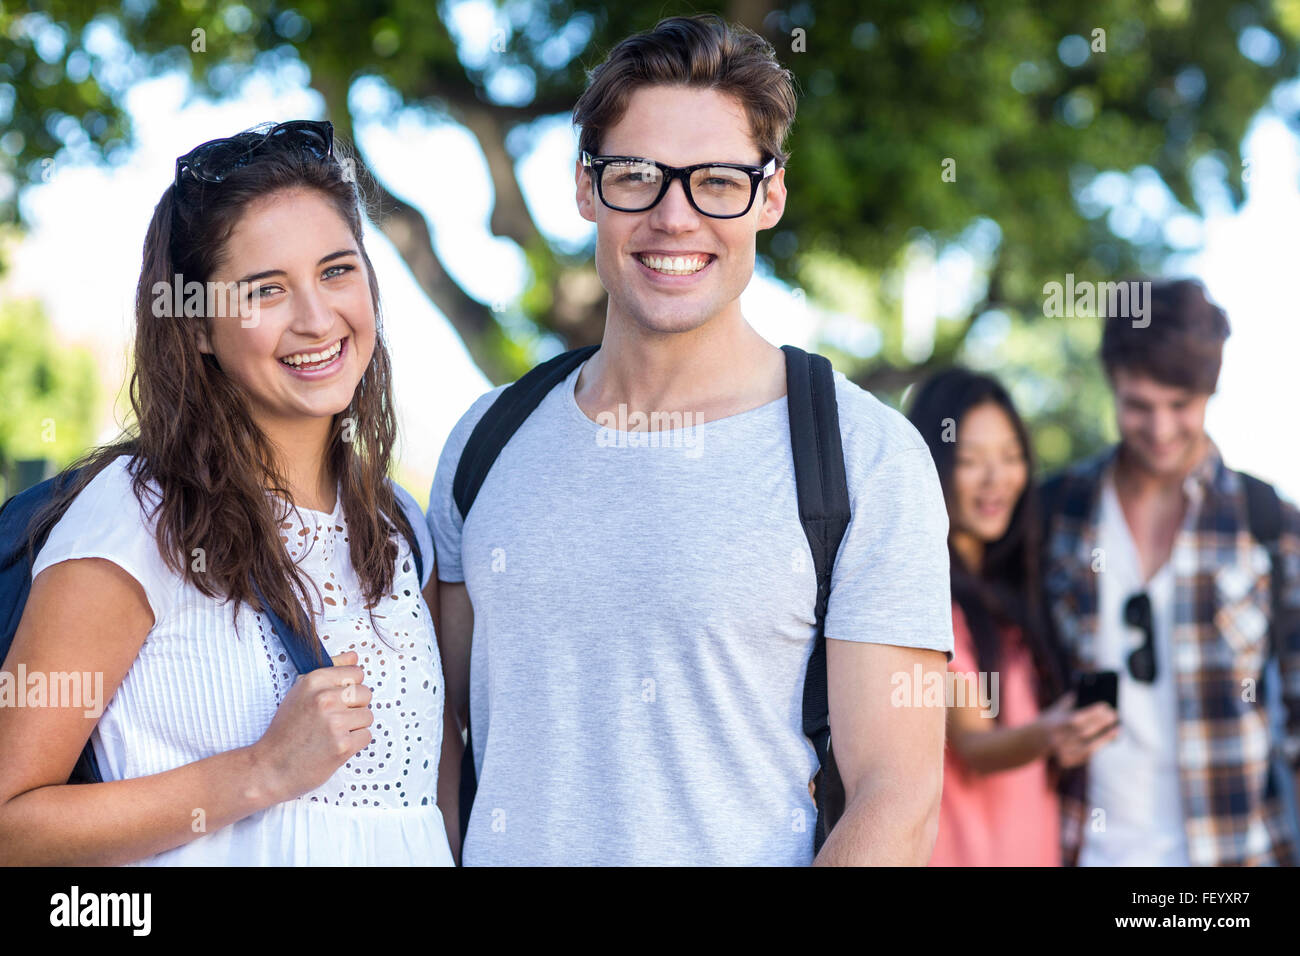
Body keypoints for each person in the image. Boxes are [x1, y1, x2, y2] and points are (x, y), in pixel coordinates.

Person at [428, 14, 954, 866]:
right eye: (637, 175)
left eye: (716, 181)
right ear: (587, 189)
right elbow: (436, 728)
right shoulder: (487, 440)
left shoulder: (865, 457)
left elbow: (898, 802)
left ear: (769, 195)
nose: (675, 217)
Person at [0, 121, 455, 865]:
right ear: (199, 326)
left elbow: (429, 803)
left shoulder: (399, 524)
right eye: (265, 289)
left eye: (337, 271)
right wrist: (260, 772)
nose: (316, 318)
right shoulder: (136, 516)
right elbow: (9, 823)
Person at [1041, 278, 1300, 866]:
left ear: (1211, 391)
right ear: (1111, 386)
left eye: (1180, 406)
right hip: (1081, 849)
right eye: (1138, 405)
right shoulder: (1057, 512)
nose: (1159, 430)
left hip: (1234, 860)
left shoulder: (1268, 522)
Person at [908, 368, 1119, 866]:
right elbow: (975, 744)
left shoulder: (1012, 596)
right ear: (932, 462)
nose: (995, 479)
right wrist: (1049, 732)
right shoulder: (925, 592)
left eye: (1010, 457)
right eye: (970, 461)